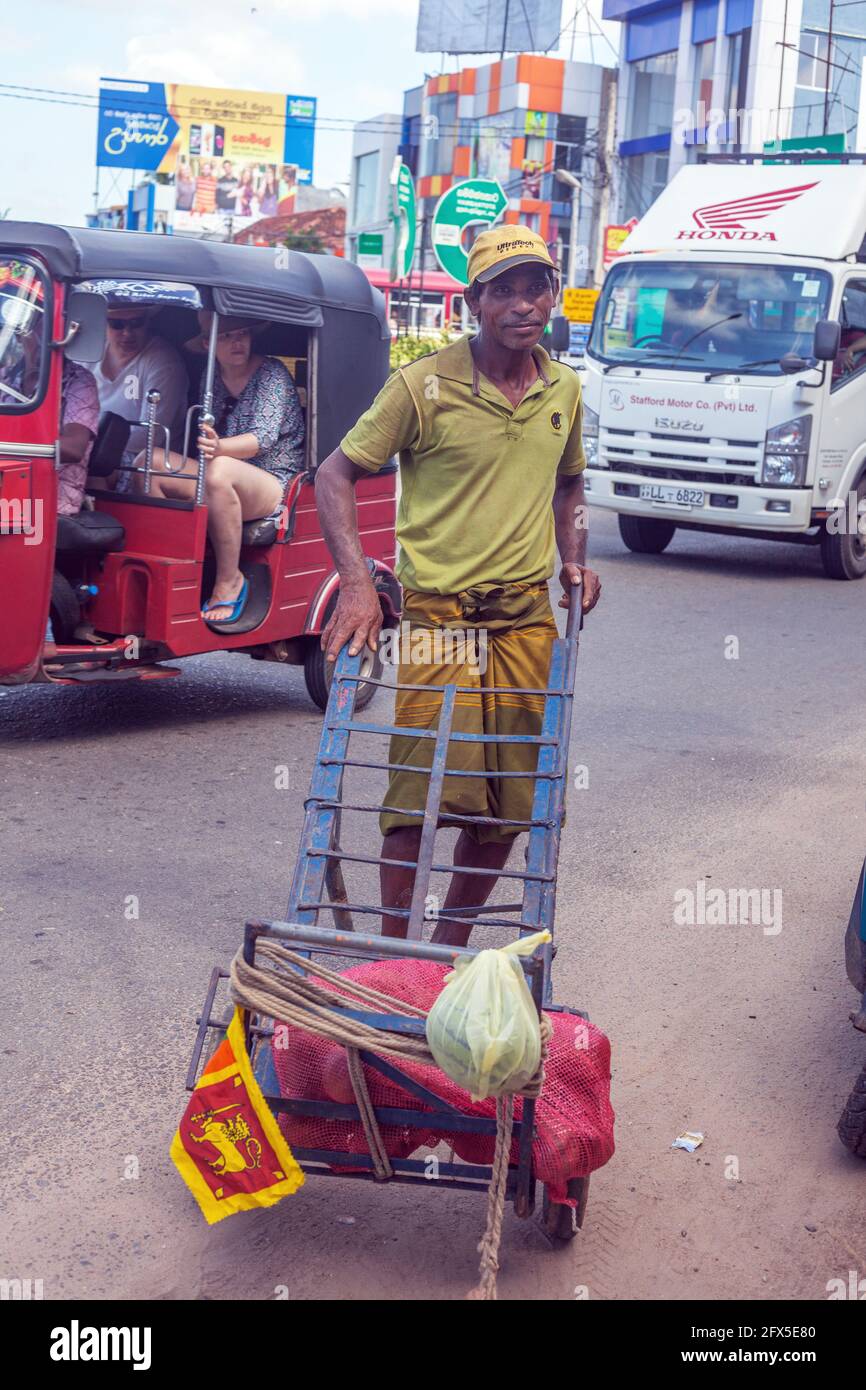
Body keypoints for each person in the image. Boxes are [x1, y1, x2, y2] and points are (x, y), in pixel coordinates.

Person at [315, 225, 602, 946]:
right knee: (418, 800)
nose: (522, 303)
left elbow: (570, 486)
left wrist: (574, 556)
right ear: (474, 301)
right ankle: (395, 954)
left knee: (510, 806)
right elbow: (334, 476)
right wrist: (356, 587)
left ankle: (446, 948)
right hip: (442, 622)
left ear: (552, 293)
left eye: (535, 286)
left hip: (526, 624)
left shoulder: (563, 388)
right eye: (501, 290)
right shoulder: (424, 385)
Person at [143, 313, 305, 625]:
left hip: (273, 481)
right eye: (228, 336)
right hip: (222, 476)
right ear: (209, 343)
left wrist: (218, 449)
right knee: (150, 462)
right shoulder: (211, 377)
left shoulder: (272, 373)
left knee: (219, 470)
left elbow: (262, 439)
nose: (238, 342)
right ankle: (174, 569)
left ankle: (230, 579)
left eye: (242, 334)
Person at [91, 304, 187, 492]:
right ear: (103, 324)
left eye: (136, 323)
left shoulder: (164, 361)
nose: (127, 333)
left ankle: (94, 519)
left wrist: (90, 445)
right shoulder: (89, 352)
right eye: (117, 324)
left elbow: (150, 436)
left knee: (94, 469)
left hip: (141, 458)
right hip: (90, 446)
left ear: (148, 322)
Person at [58, 359, 99, 514]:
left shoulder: (79, 380)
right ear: (18, 337)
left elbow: (73, 449)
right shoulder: (6, 377)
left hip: (54, 496)